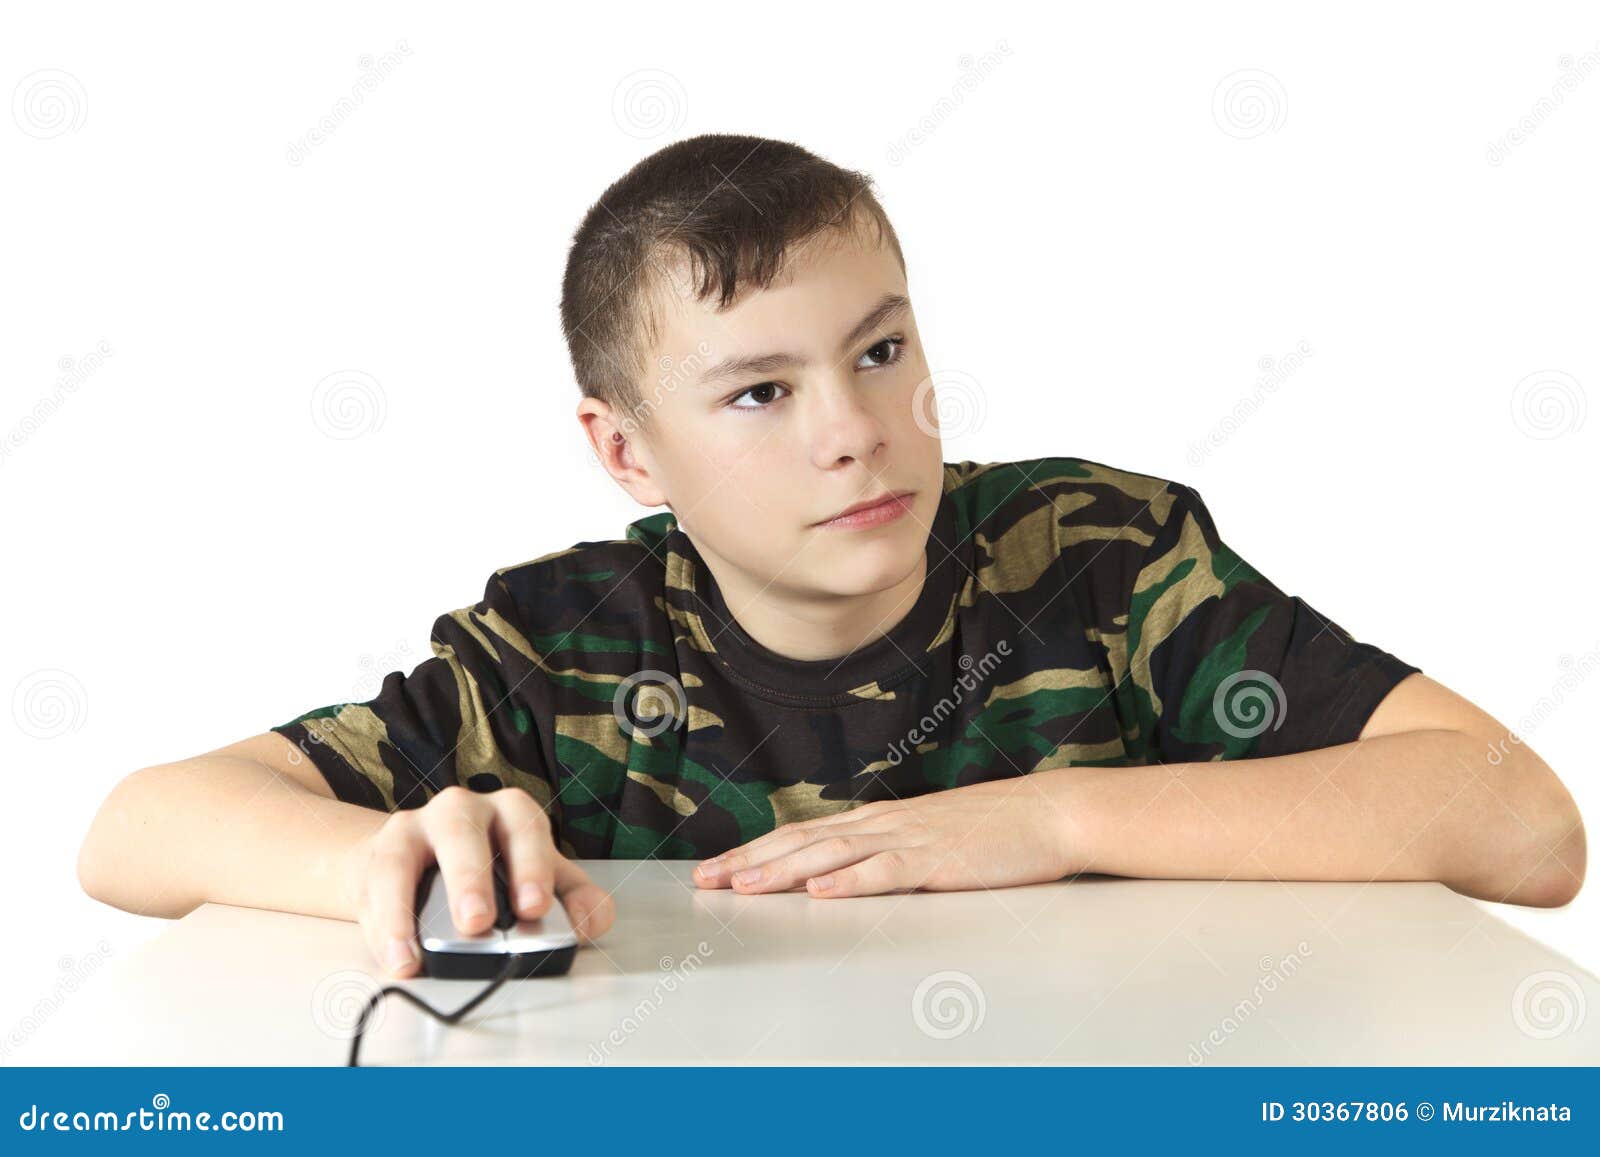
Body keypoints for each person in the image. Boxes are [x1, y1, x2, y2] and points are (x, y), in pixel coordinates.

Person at [77, 133, 1586, 982]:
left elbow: (1523, 824)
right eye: (759, 392)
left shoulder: (1100, 558)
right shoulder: (565, 644)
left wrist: (1053, 817)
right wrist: (389, 853)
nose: (857, 432)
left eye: (880, 351)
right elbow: (136, 831)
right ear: (628, 452)